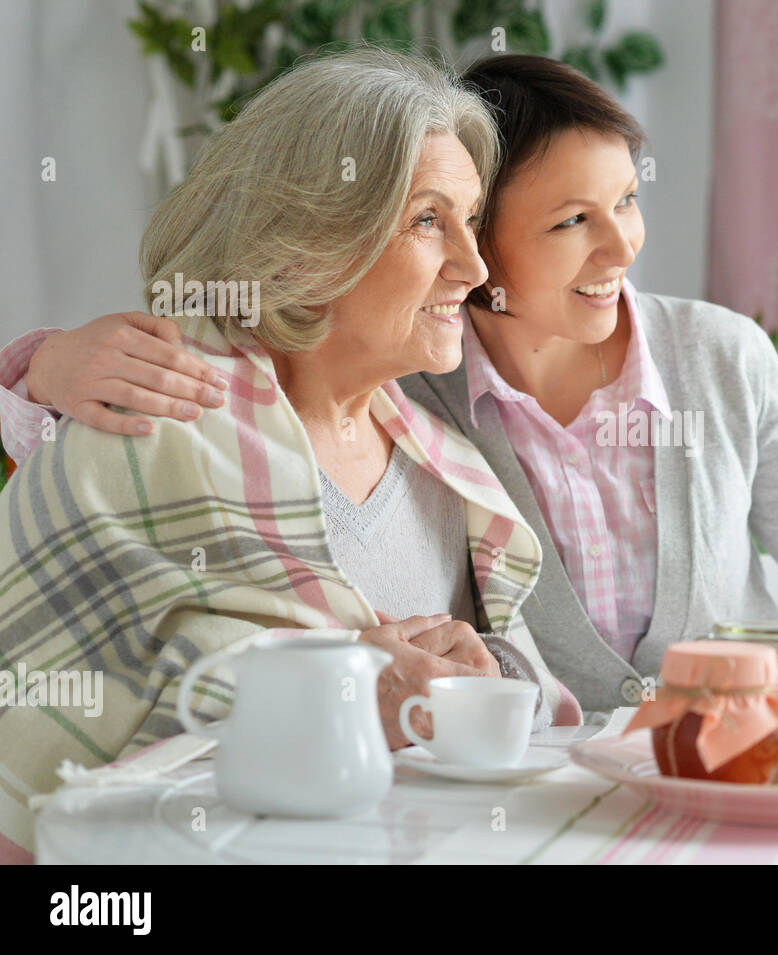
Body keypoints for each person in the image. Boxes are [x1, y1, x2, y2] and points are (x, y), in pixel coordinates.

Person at [0, 55, 778, 719]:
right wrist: (36, 362)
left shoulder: (708, 368)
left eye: (628, 204)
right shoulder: (426, 393)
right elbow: (229, 370)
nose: (622, 250)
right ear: (489, 252)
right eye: (567, 222)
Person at [0, 47, 580, 864]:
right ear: (310, 239)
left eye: (471, 220)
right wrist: (340, 691)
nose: (475, 267)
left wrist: (488, 672)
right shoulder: (144, 423)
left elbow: (526, 703)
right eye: (427, 219)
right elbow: (33, 730)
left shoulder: (453, 474)